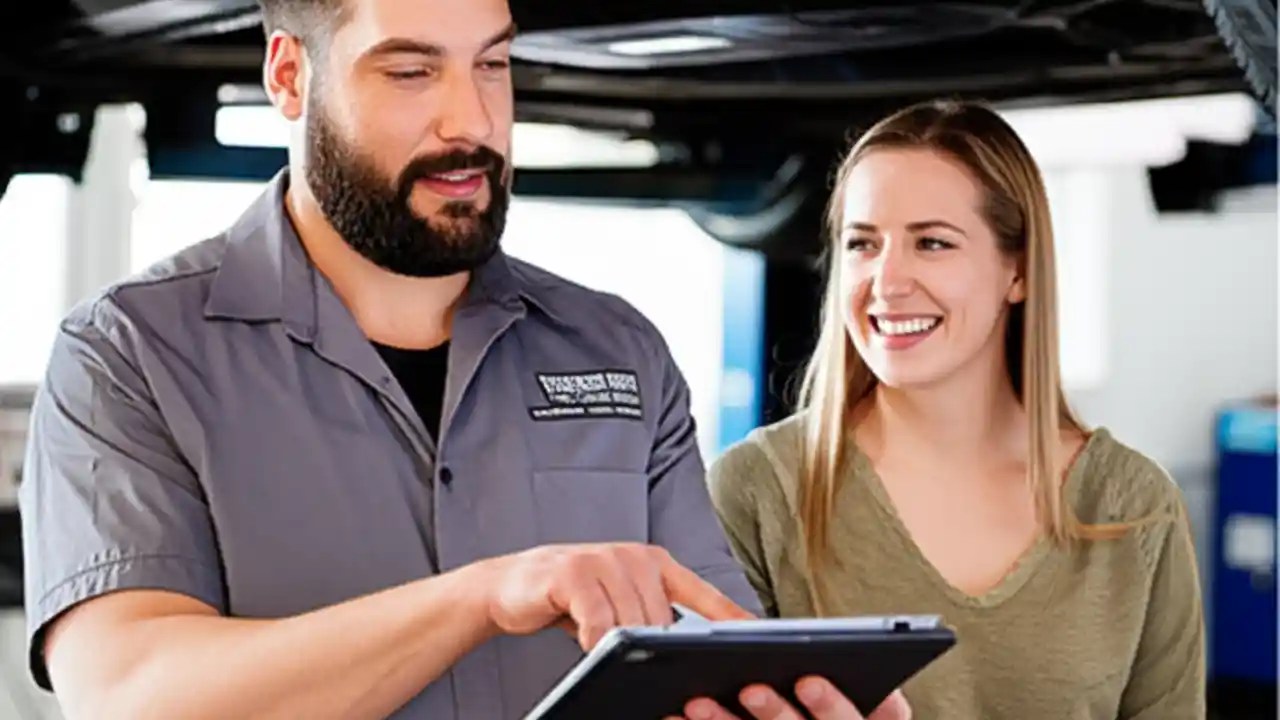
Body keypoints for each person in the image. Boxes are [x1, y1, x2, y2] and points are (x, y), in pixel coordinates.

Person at [18, 0, 912, 718]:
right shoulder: (131, 356)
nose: (473, 119)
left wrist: (794, 702)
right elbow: (131, 696)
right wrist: (481, 598)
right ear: (290, 77)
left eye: (493, 64)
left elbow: (707, 655)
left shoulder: (618, 351)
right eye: (412, 71)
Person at [708, 99, 1207, 719]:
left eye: (933, 243)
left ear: (1017, 269)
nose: (886, 281)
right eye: (863, 244)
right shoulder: (760, 489)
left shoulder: (1130, 505)